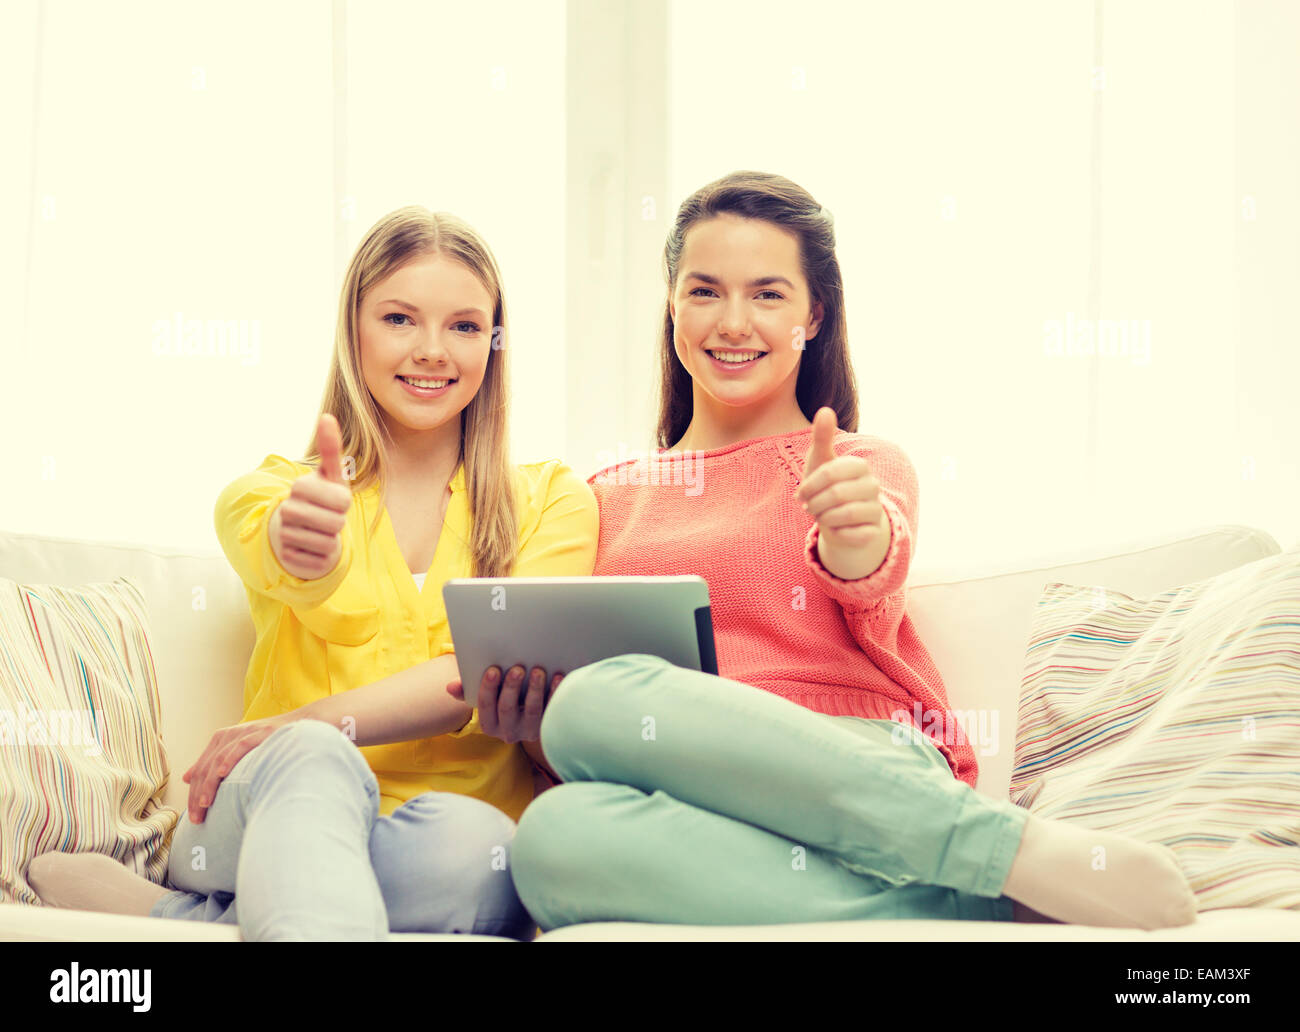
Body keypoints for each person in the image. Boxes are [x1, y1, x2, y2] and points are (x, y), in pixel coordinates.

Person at [467, 171, 1200, 932]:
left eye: (768, 294)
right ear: (674, 306)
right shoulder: (603, 496)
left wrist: (856, 534)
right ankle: (986, 897)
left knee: (599, 697)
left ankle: (991, 844)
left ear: (813, 316)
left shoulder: (855, 464)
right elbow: (596, 727)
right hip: (691, 803)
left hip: (859, 765)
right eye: (705, 291)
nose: (733, 321)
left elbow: (870, 568)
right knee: (551, 840)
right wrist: (528, 722)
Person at [28, 206, 597, 940]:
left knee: (482, 855)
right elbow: (292, 560)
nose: (432, 350)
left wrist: (297, 719)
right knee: (314, 757)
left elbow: (471, 673)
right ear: (352, 330)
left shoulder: (554, 499)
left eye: (462, 326)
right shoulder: (269, 493)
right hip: (261, 804)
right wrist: (309, 553)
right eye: (399, 319)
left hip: (433, 834)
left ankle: (190, 917)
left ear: (494, 341)